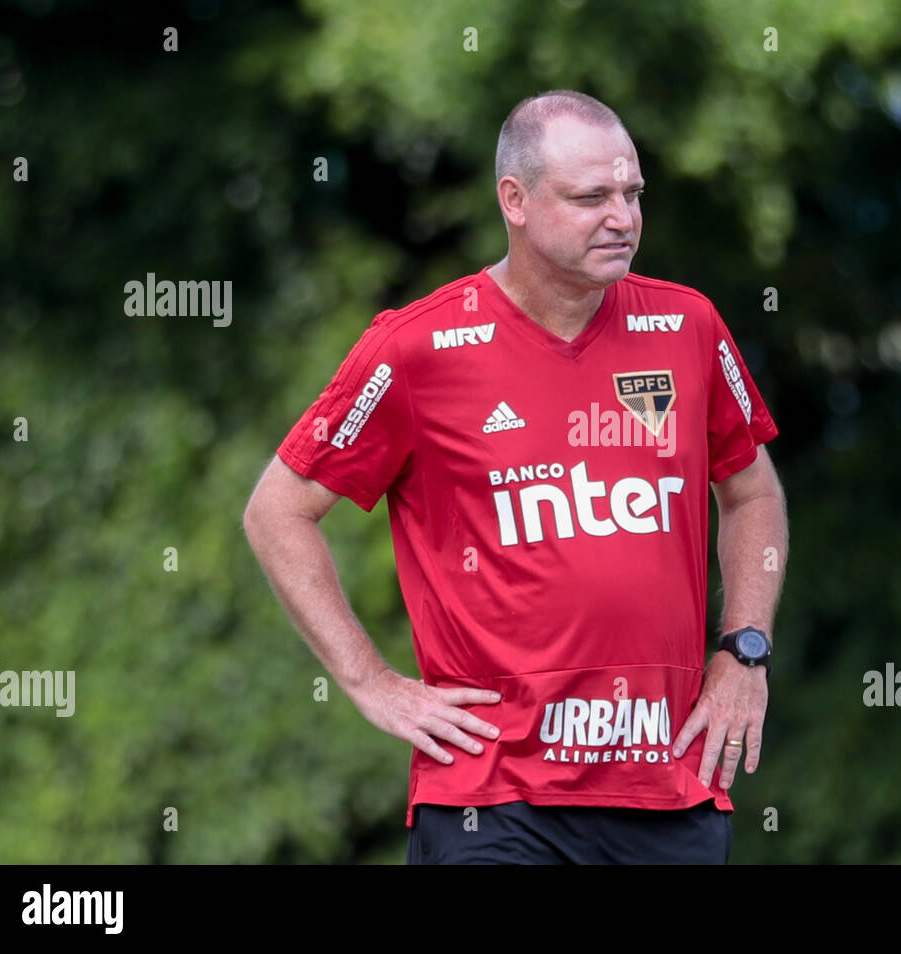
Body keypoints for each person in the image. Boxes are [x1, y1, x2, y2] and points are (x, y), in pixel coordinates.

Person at [242, 89, 787, 864]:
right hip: (493, 801)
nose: (623, 217)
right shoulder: (418, 348)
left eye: (632, 194)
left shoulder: (687, 326)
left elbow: (753, 491)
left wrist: (746, 650)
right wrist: (367, 679)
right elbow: (278, 511)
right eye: (591, 196)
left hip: (669, 787)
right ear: (516, 201)